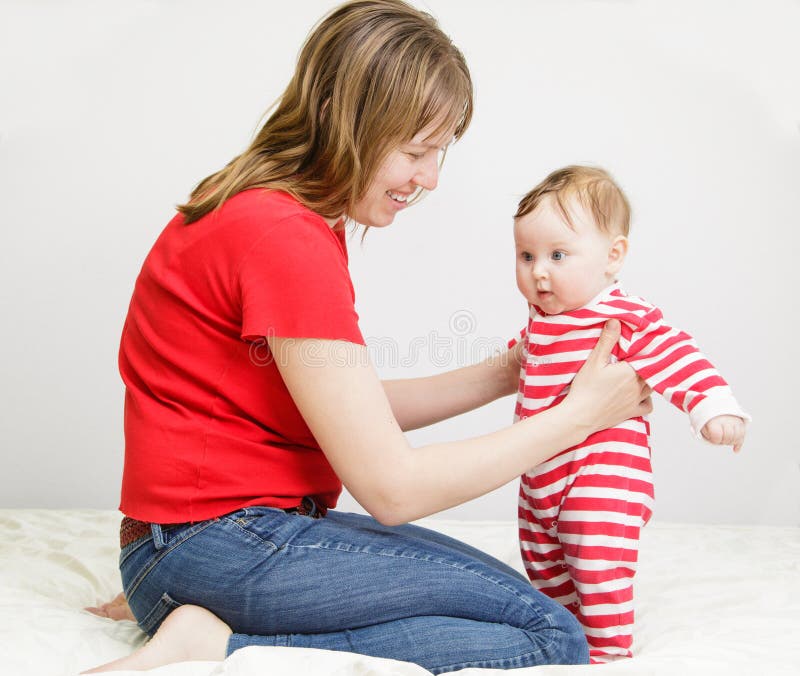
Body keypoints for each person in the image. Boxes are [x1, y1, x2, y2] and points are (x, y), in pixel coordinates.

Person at [82, 3, 653, 673]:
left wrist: (510, 372)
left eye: (439, 151)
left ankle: (181, 601)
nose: (430, 178)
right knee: (552, 634)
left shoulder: (258, 209)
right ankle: (214, 643)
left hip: (193, 545)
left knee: (524, 608)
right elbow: (392, 488)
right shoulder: (284, 238)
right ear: (343, 118)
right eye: (415, 151)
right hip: (215, 545)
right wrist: (580, 416)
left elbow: (346, 410)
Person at [511, 165, 749, 663]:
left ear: (613, 256)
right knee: (544, 564)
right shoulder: (543, 320)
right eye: (526, 255)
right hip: (539, 477)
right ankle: (562, 636)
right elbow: (523, 362)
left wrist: (711, 406)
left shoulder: (623, 316)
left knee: (597, 566)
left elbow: (678, 353)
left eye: (558, 255)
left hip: (602, 475)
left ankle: (608, 651)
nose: (539, 271)